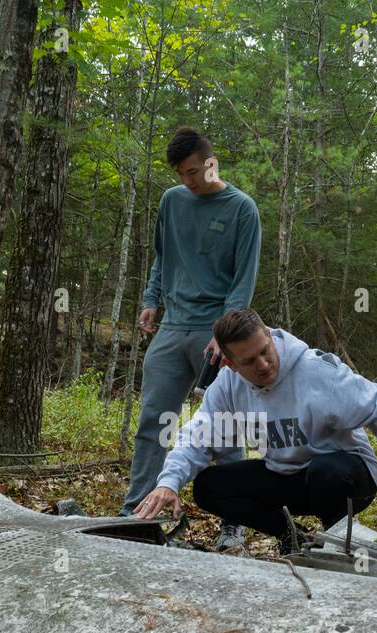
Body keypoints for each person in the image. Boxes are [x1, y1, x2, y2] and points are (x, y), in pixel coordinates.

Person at [133, 309, 377, 554]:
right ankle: (292, 535)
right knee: (208, 487)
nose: (264, 364)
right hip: (288, 476)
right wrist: (168, 483)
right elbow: (196, 439)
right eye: (249, 360)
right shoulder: (226, 387)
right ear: (230, 364)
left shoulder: (315, 371)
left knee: (326, 471)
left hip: (347, 473)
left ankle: (338, 540)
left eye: (265, 351)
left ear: (270, 336)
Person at [120, 127, 262, 553]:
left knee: (223, 429)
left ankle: (234, 523)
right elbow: (163, 256)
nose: (189, 181)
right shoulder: (172, 201)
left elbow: (244, 278)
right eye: (182, 174)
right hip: (171, 326)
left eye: (195, 172)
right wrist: (150, 300)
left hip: (214, 331)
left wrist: (226, 331)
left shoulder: (242, 209)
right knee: (154, 422)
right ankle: (138, 513)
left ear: (212, 162)